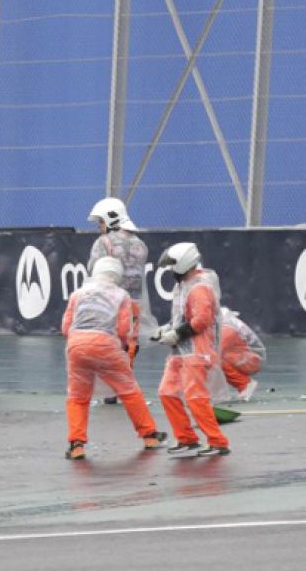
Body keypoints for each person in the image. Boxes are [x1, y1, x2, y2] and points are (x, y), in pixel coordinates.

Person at [60, 258, 167, 460]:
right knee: (129, 391)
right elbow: (123, 329)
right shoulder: (121, 295)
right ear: (117, 276)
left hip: (76, 345)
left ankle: (76, 444)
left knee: (77, 397)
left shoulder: (78, 293)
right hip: (105, 345)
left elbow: (65, 328)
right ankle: (149, 435)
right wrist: (124, 346)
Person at [152, 242, 231, 456]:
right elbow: (182, 318)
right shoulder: (184, 286)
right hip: (181, 351)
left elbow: (202, 320)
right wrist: (166, 329)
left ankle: (217, 441)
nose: (170, 270)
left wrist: (176, 334)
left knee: (196, 397)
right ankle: (186, 438)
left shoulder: (199, 287)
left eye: (172, 265)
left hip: (198, 350)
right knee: (167, 392)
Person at [87, 197, 149, 404]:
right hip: (133, 304)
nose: (99, 227)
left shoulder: (103, 242)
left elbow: (94, 270)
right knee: (129, 347)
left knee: (107, 345)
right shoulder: (140, 244)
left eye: (101, 222)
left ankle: (108, 393)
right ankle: (125, 390)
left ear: (111, 219)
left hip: (109, 303)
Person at [219, 307, 264, 402]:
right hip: (244, 356)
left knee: (216, 360)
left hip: (252, 359)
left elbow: (215, 351)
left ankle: (245, 384)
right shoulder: (227, 323)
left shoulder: (227, 328)